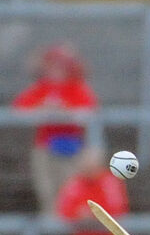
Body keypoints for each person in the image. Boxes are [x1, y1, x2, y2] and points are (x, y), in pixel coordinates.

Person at [13, 43, 98, 215]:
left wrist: (64, 111)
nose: (56, 70)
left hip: (72, 148)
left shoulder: (78, 89)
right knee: (46, 188)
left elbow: (88, 113)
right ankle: (51, 225)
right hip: (45, 147)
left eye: (62, 66)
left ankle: (68, 225)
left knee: (69, 187)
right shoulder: (41, 89)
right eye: (52, 65)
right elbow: (19, 111)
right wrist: (42, 111)